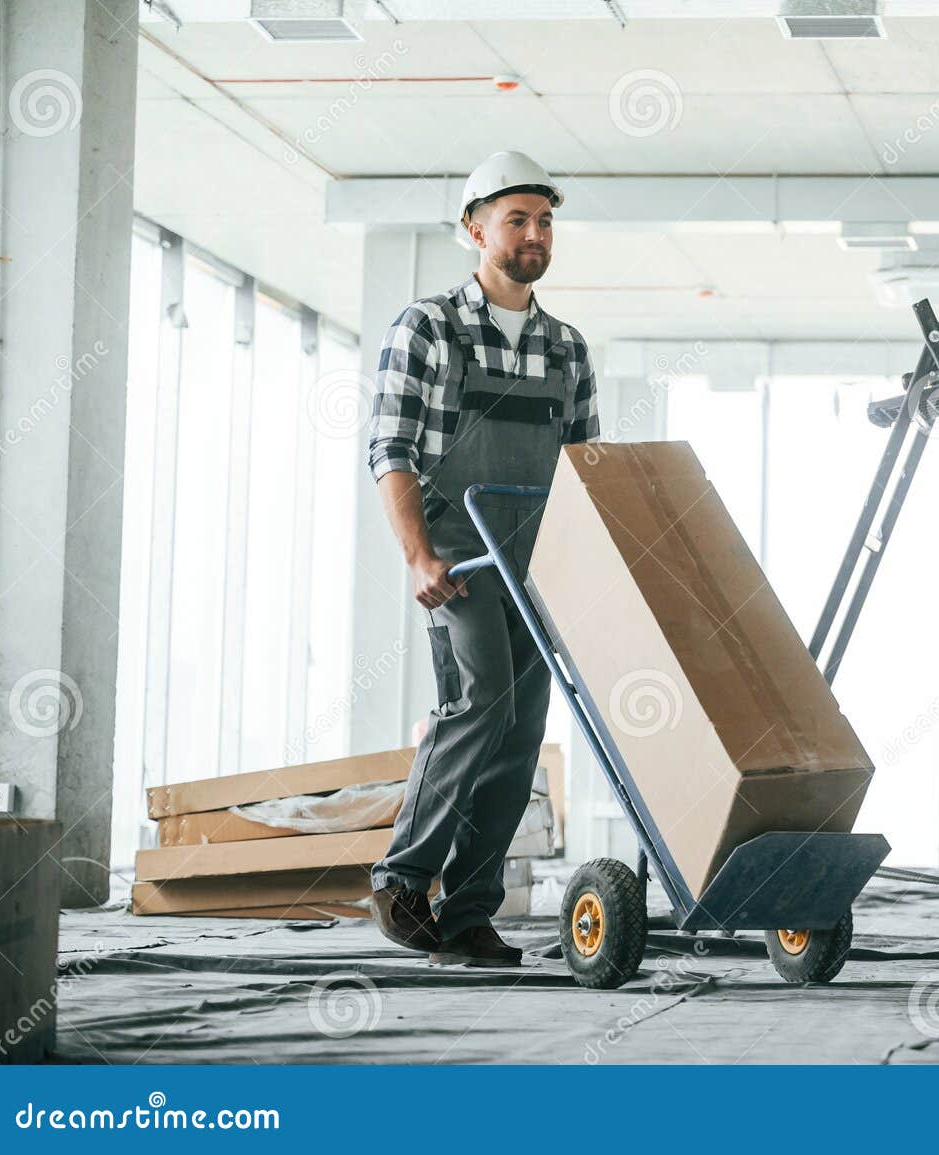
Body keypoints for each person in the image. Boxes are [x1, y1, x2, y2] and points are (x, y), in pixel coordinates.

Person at [365, 151, 599, 966]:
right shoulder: (428, 327)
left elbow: (583, 473)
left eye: (544, 221)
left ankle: (468, 913)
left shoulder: (566, 348)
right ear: (475, 229)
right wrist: (417, 554)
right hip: (460, 555)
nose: (535, 234)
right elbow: (390, 448)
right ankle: (402, 876)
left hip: (535, 561)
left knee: (523, 727)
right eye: (517, 219)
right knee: (483, 701)